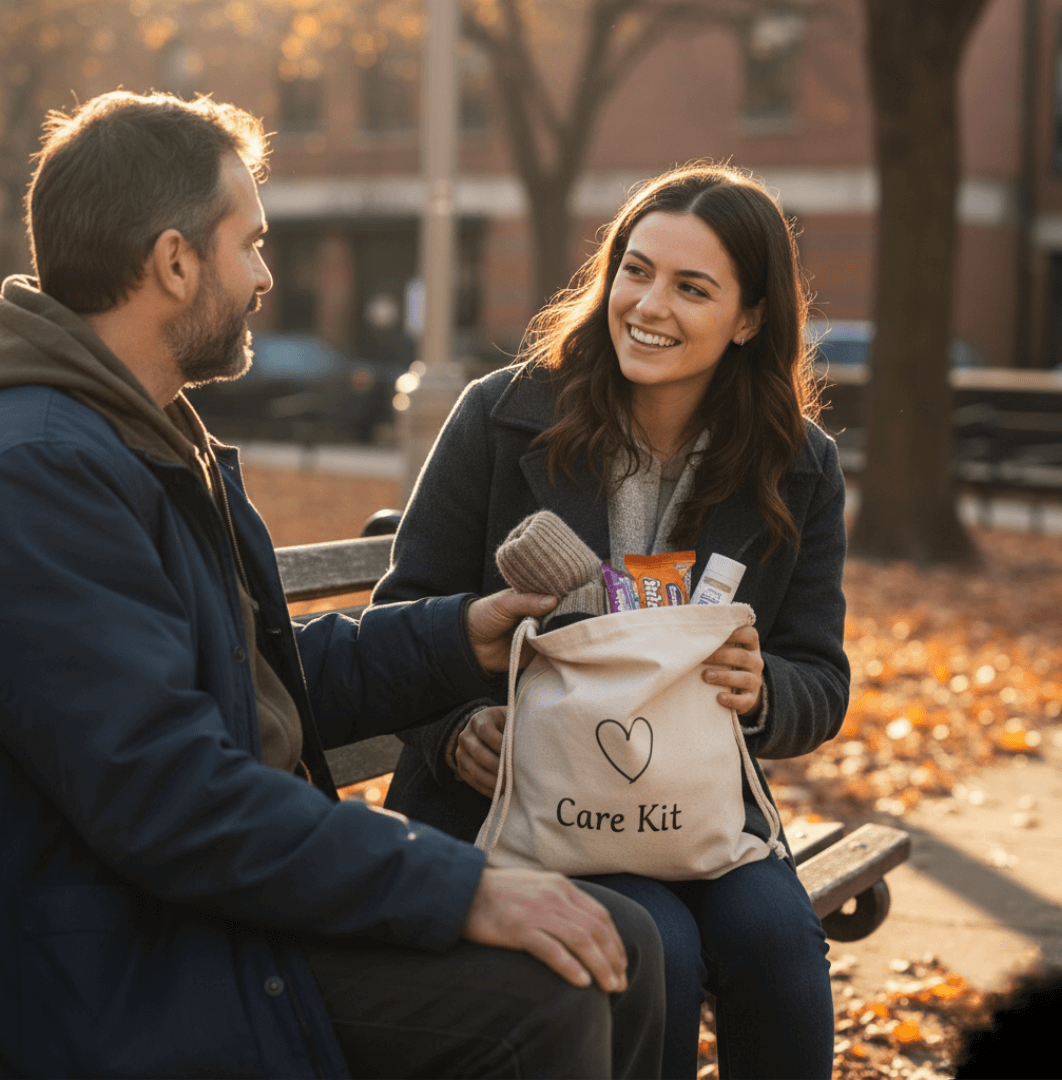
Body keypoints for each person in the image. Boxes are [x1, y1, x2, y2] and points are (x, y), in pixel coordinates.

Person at [0, 91, 666, 1080]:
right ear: (176, 262)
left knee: (626, 945)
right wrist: (463, 886)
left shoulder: (145, 432)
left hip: (224, 891)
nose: (268, 275)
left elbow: (240, 677)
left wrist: (461, 636)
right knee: (559, 990)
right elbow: (163, 789)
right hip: (136, 951)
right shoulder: (46, 467)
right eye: (252, 243)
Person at [372, 163, 851, 1079]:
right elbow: (402, 617)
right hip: (521, 806)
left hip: (692, 808)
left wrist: (765, 690)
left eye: (691, 287)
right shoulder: (500, 418)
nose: (649, 305)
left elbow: (819, 679)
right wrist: (451, 728)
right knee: (654, 944)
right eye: (636, 269)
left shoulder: (798, 466)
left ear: (750, 318)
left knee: (780, 945)